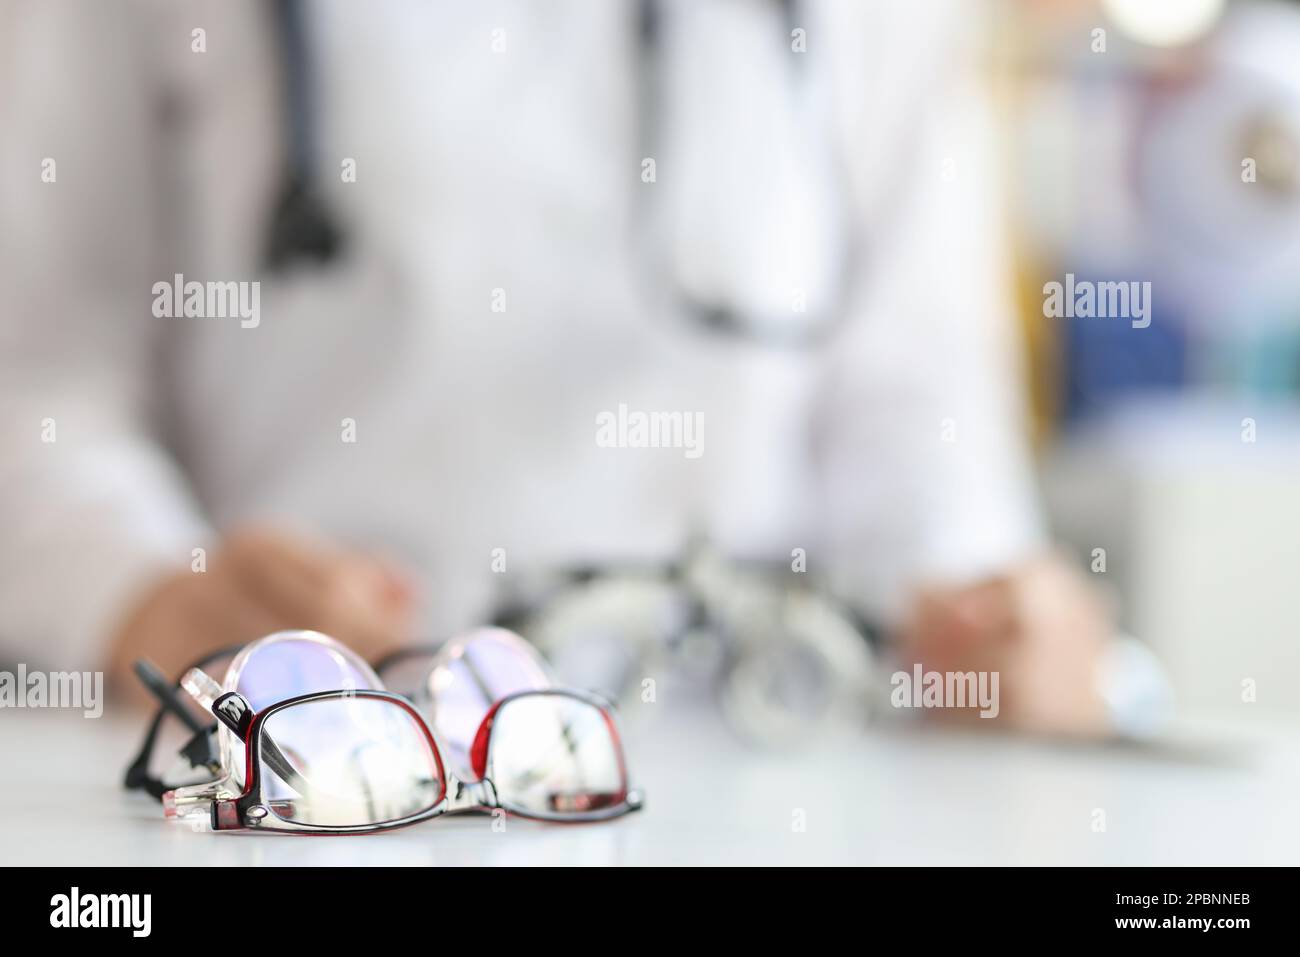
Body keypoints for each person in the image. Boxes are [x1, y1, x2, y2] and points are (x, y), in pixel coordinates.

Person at [0, 0, 1120, 734]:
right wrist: (145, 596)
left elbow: (915, 421)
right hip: (313, 751)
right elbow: (35, 373)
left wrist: (986, 632)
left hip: (758, 756)